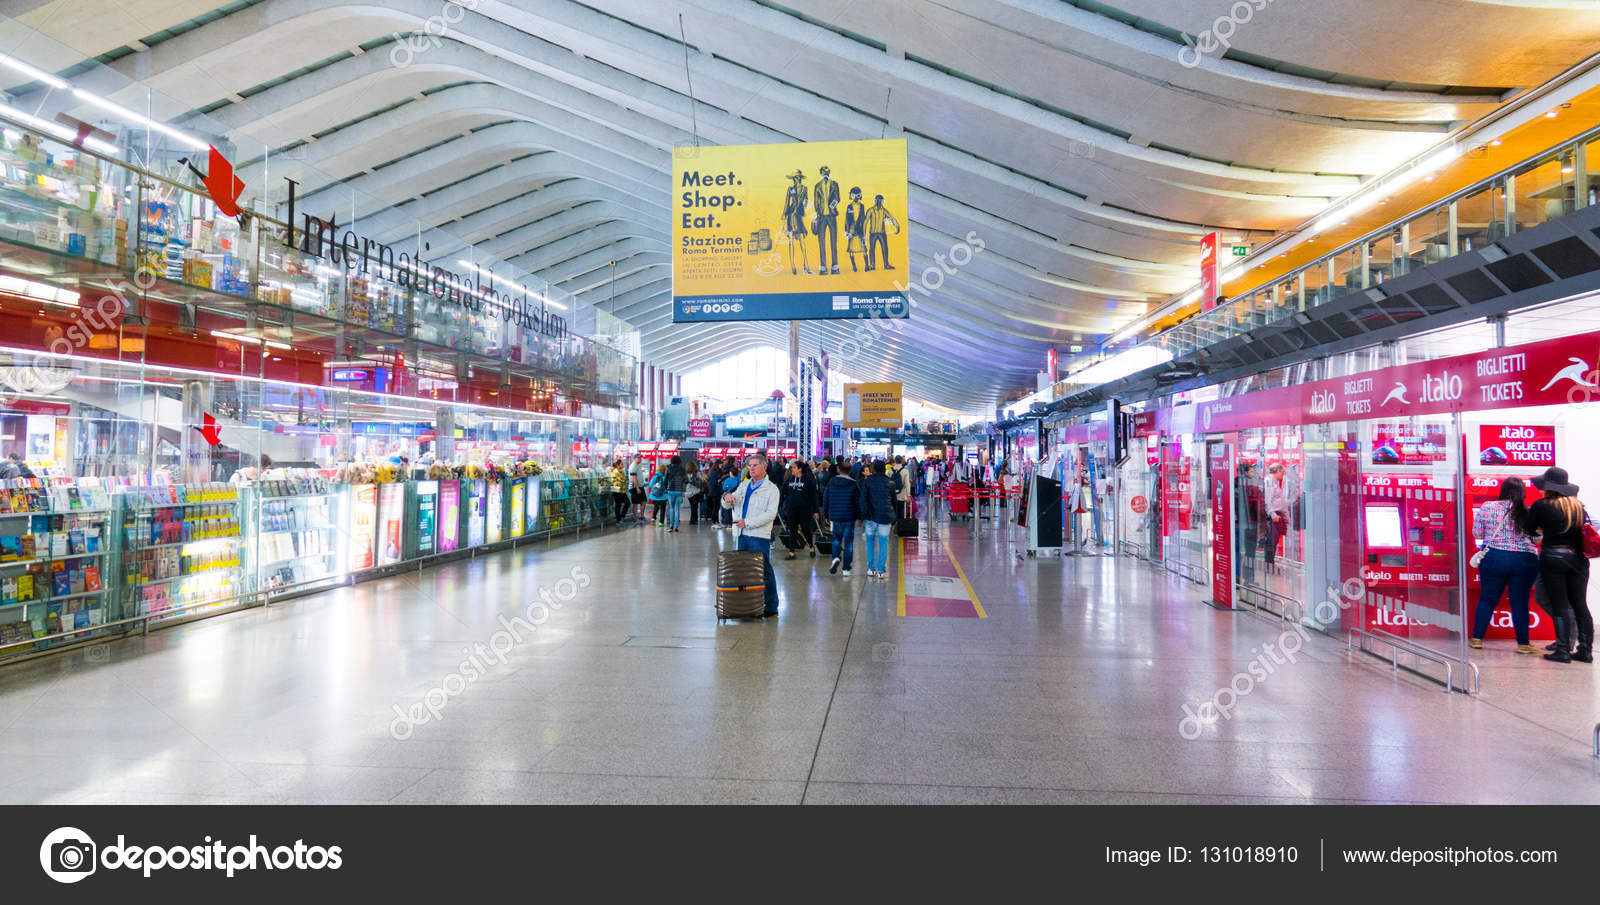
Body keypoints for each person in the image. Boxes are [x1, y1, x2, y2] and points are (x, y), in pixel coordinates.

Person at [1523, 467, 1593, 663]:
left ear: (1548, 487)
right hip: (1578, 560)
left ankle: (1562, 650)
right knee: (1580, 605)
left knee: (1560, 604)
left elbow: (1529, 530)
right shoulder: (1577, 506)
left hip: (1553, 557)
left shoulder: (1541, 505)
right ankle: (1585, 650)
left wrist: (1543, 529)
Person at [1470, 477, 1541, 654]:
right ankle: (1523, 644)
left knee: (1487, 599)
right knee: (1520, 602)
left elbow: (1476, 532)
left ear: (1502, 490)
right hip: (1525, 559)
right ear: (1522, 493)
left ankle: (1477, 639)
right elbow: (1537, 539)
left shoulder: (1487, 506)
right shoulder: (1529, 511)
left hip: (1495, 556)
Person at [723, 455, 782, 616]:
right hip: (742, 535)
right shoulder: (744, 485)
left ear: (764, 467)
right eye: (749, 466)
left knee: (764, 571)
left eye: (755, 465)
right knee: (745, 571)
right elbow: (729, 503)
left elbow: (771, 514)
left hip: (759, 536)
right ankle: (748, 605)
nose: (752, 469)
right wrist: (726, 497)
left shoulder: (772, 489)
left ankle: (771, 606)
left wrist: (747, 522)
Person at [858, 460, 896, 580]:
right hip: (885, 516)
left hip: (871, 517)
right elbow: (894, 501)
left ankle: (871, 568)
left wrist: (864, 515)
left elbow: (862, 500)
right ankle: (881, 570)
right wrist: (894, 516)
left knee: (870, 542)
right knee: (883, 542)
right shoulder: (890, 482)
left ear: (873, 469)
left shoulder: (867, 481)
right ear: (884, 469)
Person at [823, 463, 859, 577]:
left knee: (836, 539)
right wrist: (860, 516)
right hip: (849, 517)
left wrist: (826, 515)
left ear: (839, 470)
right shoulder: (853, 484)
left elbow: (826, 498)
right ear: (850, 471)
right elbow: (857, 502)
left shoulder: (831, 482)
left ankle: (835, 558)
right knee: (848, 543)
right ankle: (846, 569)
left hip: (835, 516)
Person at [779, 460, 819, 560]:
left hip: (804, 509)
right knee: (792, 530)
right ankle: (792, 552)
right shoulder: (790, 479)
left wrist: (815, 510)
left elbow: (813, 496)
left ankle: (811, 547)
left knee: (805, 529)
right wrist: (778, 506)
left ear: (800, 469)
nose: (791, 469)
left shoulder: (808, 479)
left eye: (793, 467)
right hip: (791, 509)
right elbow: (783, 492)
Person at [782, 169, 811, 276]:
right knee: (791, 240)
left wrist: (805, 207)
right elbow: (786, 202)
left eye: (798, 177)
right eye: (795, 178)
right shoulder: (790, 189)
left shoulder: (804, 189)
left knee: (802, 239)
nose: (797, 179)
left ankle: (806, 264)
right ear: (794, 179)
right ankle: (793, 265)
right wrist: (784, 214)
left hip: (798, 215)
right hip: (790, 215)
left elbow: (807, 201)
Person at [812, 164, 840, 275]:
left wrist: (830, 208)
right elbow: (816, 201)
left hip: (832, 216)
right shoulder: (817, 186)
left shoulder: (834, 184)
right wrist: (819, 212)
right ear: (821, 173)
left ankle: (835, 266)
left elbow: (837, 198)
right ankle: (823, 267)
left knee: (833, 242)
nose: (826, 174)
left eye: (827, 172)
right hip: (821, 217)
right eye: (824, 172)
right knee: (821, 242)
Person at [863, 193, 900, 271]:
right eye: (878, 200)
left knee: (885, 248)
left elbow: (891, 218)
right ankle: (872, 265)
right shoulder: (870, 210)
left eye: (881, 201)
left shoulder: (884, 210)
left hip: (882, 233)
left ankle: (886, 264)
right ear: (875, 201)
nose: (879, 202)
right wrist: (864, 234)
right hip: (872, 233)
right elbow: (865, 222)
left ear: (883, 201)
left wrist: (897, 226)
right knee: (872, 249)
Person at [1264, 463, 1289, 569]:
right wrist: (1273, 515)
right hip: (1273, 518)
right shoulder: (1269, 482)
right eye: (1282, 472)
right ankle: (1269, 564)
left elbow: (1279, 501)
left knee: (1274, 542)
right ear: (1277, 471)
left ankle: (1270, 563)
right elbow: (1267, 500)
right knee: (1271, 542)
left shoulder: (1275, 482)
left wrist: (1286, 515)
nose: (1283, 475)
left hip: (1278, 517)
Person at [842, 186, 866, 272]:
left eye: (857, 195)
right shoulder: (849, 206)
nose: (855, 197)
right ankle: (854, 267)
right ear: (851, 196)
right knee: (851, 248)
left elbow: (863, 217)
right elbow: (846, 218)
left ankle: (866, 265)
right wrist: (846, 230)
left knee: (863, 247)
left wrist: (863, 228)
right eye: (853, 195)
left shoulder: (862, 206)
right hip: (851, 228)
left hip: (860, 228)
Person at [664, 454, 687, 533]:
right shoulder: (682, 469)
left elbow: (665, 480)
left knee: (671, 508)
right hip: (679, 490)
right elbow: (686, 480)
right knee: (677, 509)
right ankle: (676, 527)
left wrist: (666, 487)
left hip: (670, 490)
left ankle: (671, 526)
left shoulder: (669, 468)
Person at [627, 454, 649, 523]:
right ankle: (635, 517)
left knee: (644, 501)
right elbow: (633, 478)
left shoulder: (638, 465)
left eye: (640, 458)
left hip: (640, 487)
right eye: (639, 458)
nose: (640, 459)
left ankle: (642, 516)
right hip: (635, 487)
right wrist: (637, 488)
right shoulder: (633, 466)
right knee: (635, 503)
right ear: (635, 458)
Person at [608, 459, 629, 524]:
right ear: (618, 465)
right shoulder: (616, 471)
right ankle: (619, 520)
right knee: (618, 505)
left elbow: (624, 479)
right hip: (616, 491)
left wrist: (624, 479)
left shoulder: (621, 471)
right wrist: (624, 479)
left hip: (622, 491)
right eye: (622, 464)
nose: (623, 465)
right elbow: (623, 479)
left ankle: (621, 516)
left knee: (627, 503)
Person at [685, 459, 703, 526]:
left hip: (688, 493)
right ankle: (693, 520)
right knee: (695, 507)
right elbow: (700, 483)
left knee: (693, 507)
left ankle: (693, 520)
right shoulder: (698, 473)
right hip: (696, 492)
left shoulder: (686, 474)